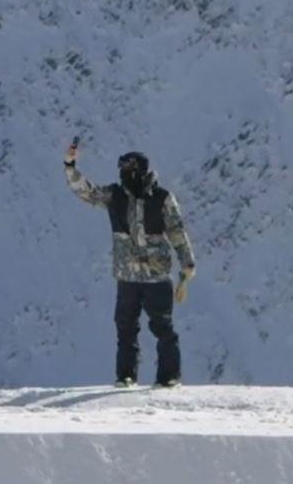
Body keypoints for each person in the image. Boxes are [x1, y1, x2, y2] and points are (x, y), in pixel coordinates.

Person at [65, 139, 197, 387]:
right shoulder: (115, 196)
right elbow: (87, 192)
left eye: (128, 171)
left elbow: (178, 233)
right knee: (125, 328)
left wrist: (187, 267)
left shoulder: (161, 198)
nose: (124, 176)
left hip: (156, 276)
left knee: (162, 327)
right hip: (127, 276)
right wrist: (70, 167)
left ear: (139, 172)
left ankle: (169, 377)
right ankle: (126, 376)